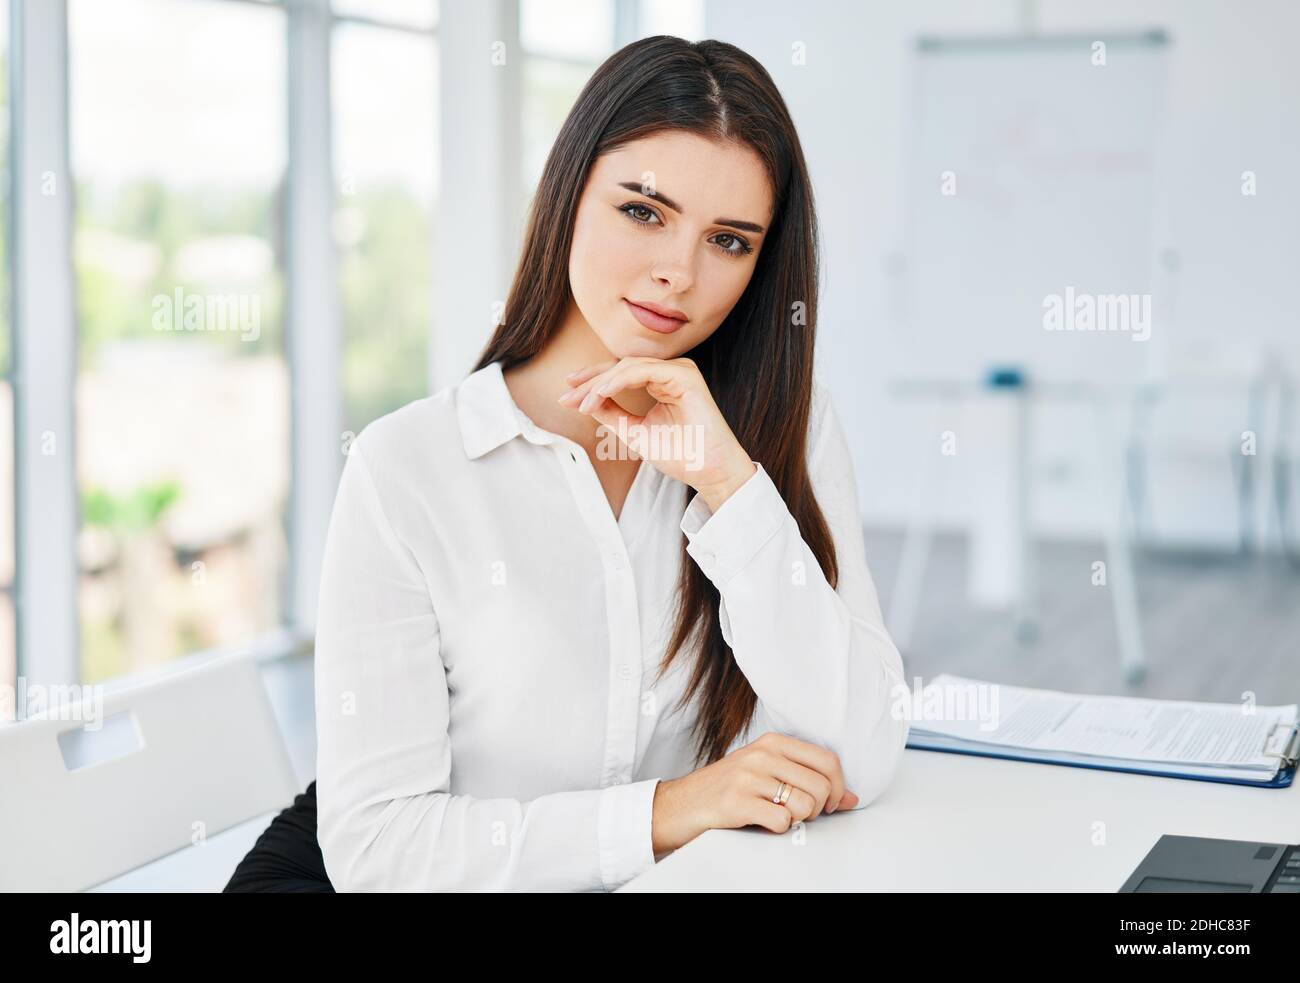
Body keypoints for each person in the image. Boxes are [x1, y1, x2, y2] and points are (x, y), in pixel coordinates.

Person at [313, 34, 909, 893]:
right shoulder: (406, 470)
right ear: (568, 195)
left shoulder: (785, 428)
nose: (678, 274)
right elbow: (380, 854)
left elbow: (863, 752)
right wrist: (670, 809)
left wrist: (730, 488)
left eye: (730, 241)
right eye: (643, 211)